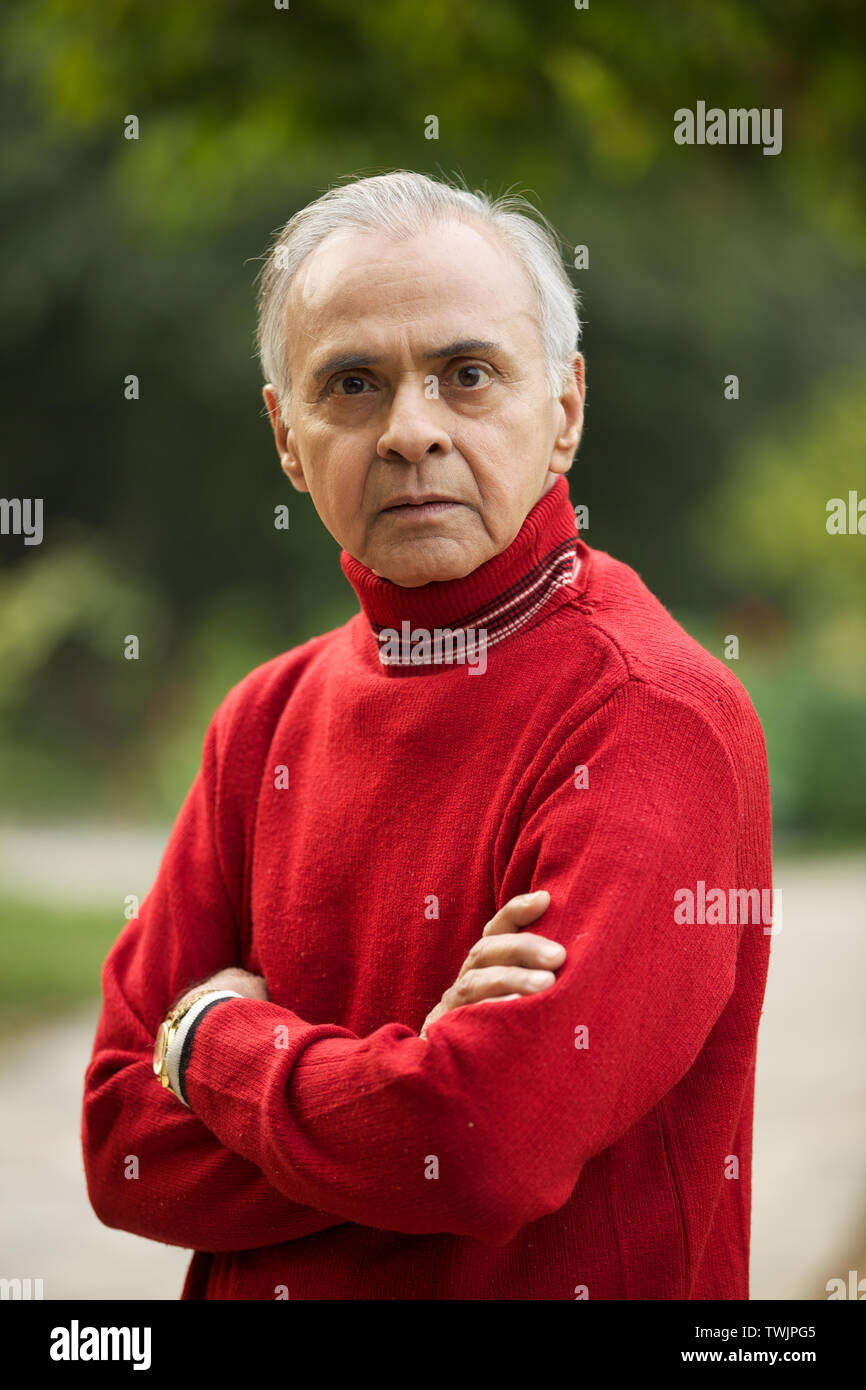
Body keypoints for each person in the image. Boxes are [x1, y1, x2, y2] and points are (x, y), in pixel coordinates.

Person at [82, 170, 773, 1300]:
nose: (410, 433)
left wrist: (209, 1039)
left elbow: (485, 1141)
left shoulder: (650, 716)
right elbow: (119, 1143)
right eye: (351, 383)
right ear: (286, 438)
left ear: (564, 408)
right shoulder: (264, 719)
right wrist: (396, 1091)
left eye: (466, 374)